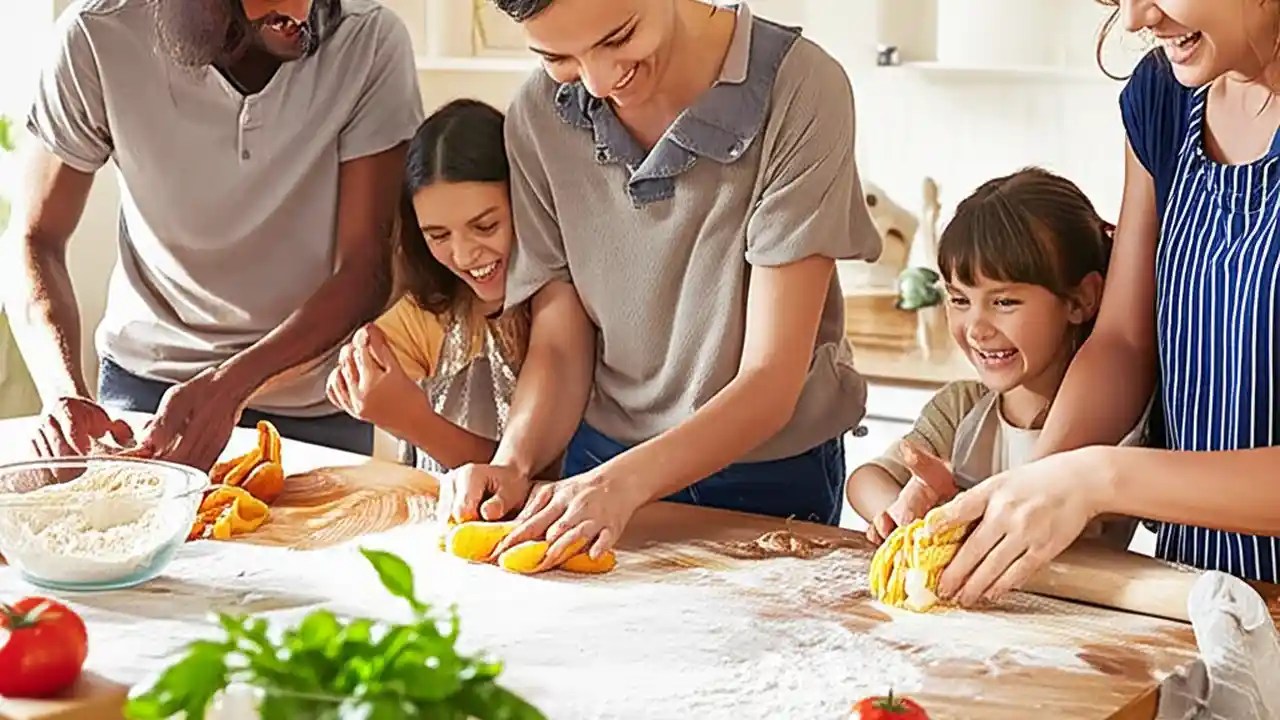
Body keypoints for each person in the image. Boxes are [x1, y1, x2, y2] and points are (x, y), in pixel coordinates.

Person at [444, 0, 881, 567]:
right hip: (599, 461)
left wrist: (622, 486)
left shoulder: (800, 88)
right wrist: (514, 461)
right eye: (558, 56)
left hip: (765, 474)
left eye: (618, 37)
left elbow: (771, 379)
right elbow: (559, 339)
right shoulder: (539, 112)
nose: (598, 83)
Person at [929, 0, 1280, 607]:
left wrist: (1097, 477)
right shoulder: (1164, 98)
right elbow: (1123, 339)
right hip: (1200, 594)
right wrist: (1026, 490)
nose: (1138, 20)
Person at [3, 0, 423, 469]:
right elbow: (35, 238)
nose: (305, 10)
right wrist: (64, 394)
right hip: (145, 392)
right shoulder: (97, 35)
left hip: (316, 398)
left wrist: (232, 384)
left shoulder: (368, 40)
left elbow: (366, 268)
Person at [845, 167, 1146, 549]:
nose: (975, 328)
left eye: (1004, 302)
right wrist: (905, 516)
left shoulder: (1114, 425)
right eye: (959, 300)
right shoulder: (960, 409)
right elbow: (866, 479)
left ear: (1081, 299)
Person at [326, 99, 531, 474]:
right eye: (438, 235)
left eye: (485, 226)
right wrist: (356, 375)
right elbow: (358, 373)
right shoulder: (430, 313)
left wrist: (415, 421)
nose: (465, 255)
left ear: (529, 202)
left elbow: (547, 477)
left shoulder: (566, 311)